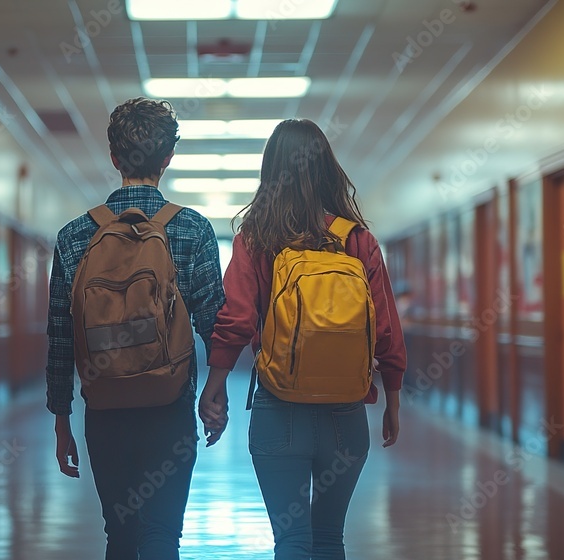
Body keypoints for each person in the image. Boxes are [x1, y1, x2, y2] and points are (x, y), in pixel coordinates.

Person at [198, 119, 407, 559]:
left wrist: (213, 388)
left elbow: (235, 319)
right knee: (330, 537)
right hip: (346, 412)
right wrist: (393, 399)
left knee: (292, 541)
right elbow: (385, 328)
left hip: (280, 408)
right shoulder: (358, 240)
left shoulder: (256, 238)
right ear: (329, 169)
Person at [46, 97, 225, 560]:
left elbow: (61, 337)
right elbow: (214, 325)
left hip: (104, 407)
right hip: (169, 405)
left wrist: (61, 418)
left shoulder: (74, 236)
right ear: (168, 158)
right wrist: (215, 392)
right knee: (163, 533)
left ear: (113, 157)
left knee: (119, 537)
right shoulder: (192, 229)